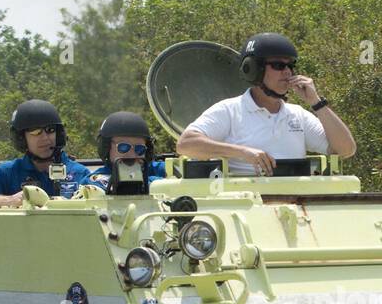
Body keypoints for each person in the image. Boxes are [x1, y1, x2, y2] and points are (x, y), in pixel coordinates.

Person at [176, 32, 356, 176]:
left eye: (290, 66)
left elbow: (345, 150)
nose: (287, 72)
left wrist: (317, 103)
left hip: (298, 205)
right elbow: (186, 144)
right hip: (248, 207)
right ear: (254, 69)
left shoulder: (297, 115)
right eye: (278, 65)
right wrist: (243, 152)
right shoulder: (230, 111)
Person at [0, 99, 94, 209]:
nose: (45, 138)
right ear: (21, 138)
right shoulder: (9, 172)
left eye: (50, 130)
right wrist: (9, 200)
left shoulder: (79, 173)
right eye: (35, 132)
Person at [90, 111, 166, 194]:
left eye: (139, 149)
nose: (132, 155)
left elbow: (179, 171)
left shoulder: (156, 169)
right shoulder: (95, 181)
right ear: (107, 148)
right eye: (123, 147)